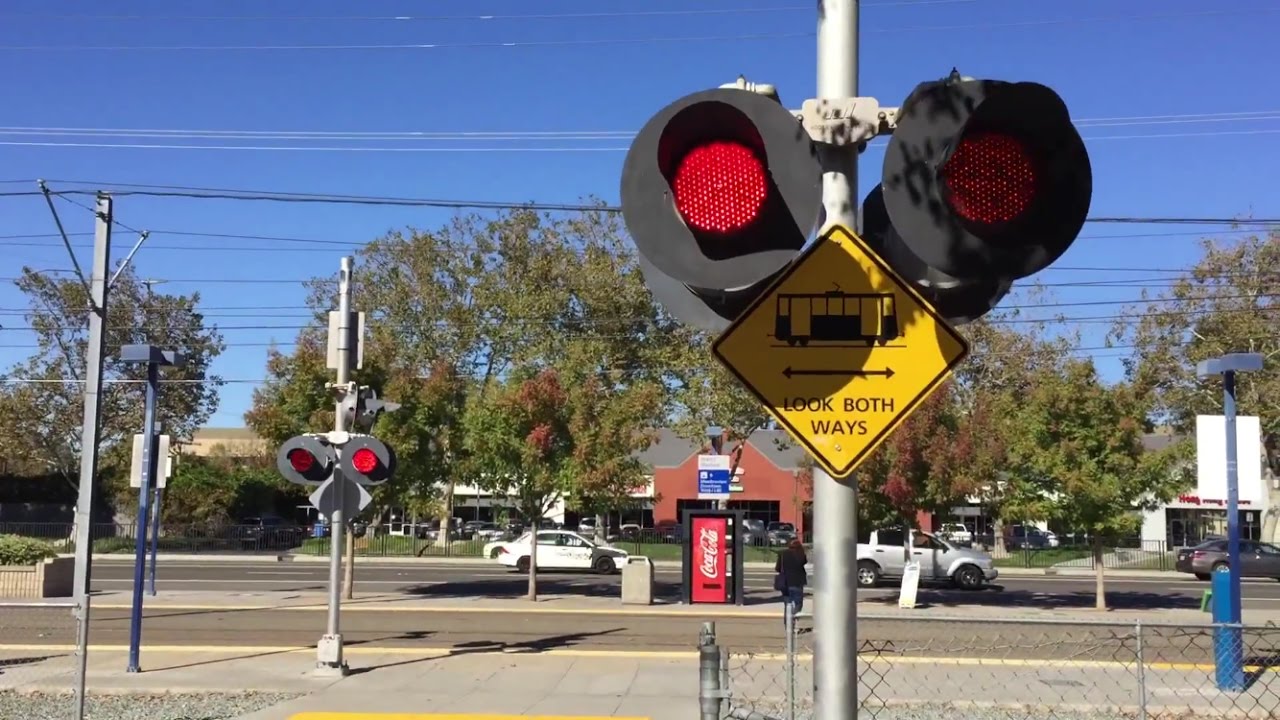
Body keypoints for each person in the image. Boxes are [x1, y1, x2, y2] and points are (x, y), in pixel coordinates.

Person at [773, 538, 808, 628]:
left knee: (787, 604)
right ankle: (793, 617)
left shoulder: (783, 554)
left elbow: (777, 568)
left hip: (785, 582)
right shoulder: (800, 554)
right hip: (797, 582)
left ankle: (788, 624)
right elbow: (804, 562)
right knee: (798, 603)